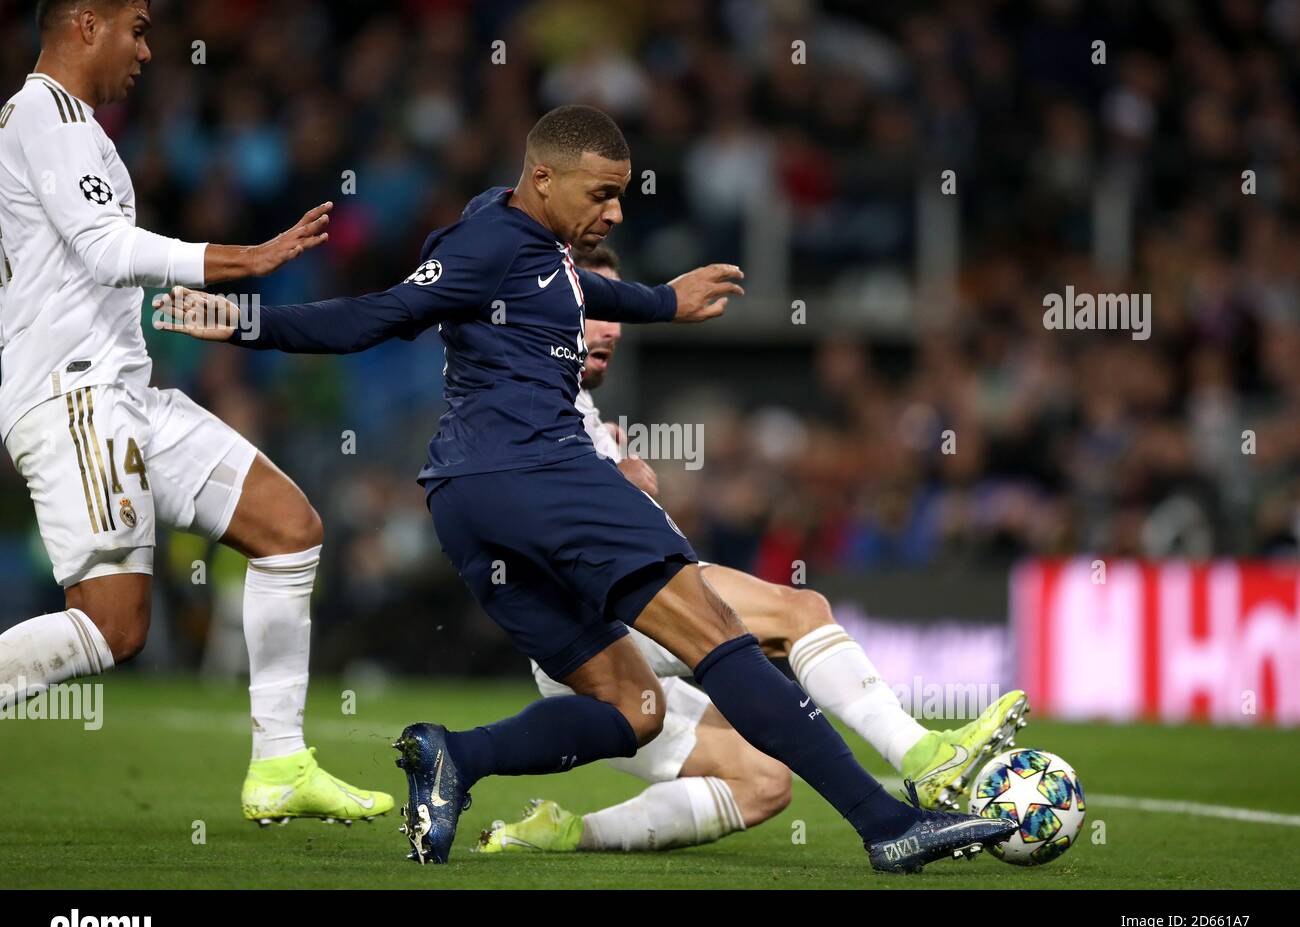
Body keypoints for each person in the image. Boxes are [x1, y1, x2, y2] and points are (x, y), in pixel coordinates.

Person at [154, 104, 1015, 872]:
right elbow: (376, 315)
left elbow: (577, 290)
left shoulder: (526, 245)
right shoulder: (486, 243)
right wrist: (243, 319)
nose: (615, 211)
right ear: (542, 177)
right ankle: (885, 822)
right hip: (541, 471)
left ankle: (457, 756)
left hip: (468, 504)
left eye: (621, 195)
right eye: (602, 194)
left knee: (631, 704)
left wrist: (659, 302)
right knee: (725, 639)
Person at [475, 244, 1029, 853]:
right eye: (591, 311)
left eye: (614, 312)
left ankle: (563, 834)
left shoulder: (576, 405)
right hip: (603, 619)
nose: (609, 328)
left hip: (612, 644)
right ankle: (924, 756)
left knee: (763, 783)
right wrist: (608, 480)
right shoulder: (531, 399)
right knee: (799, 612)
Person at [0, 0, 392, 825]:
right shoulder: (49, 115)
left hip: (124, 392)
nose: (147, 49)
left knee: (288, 526)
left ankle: (280, 762)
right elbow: (107, 249)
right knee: (115, 627)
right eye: (136, 28)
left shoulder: (66, 126)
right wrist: (237, 257)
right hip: (78, 398)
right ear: (84, 24)